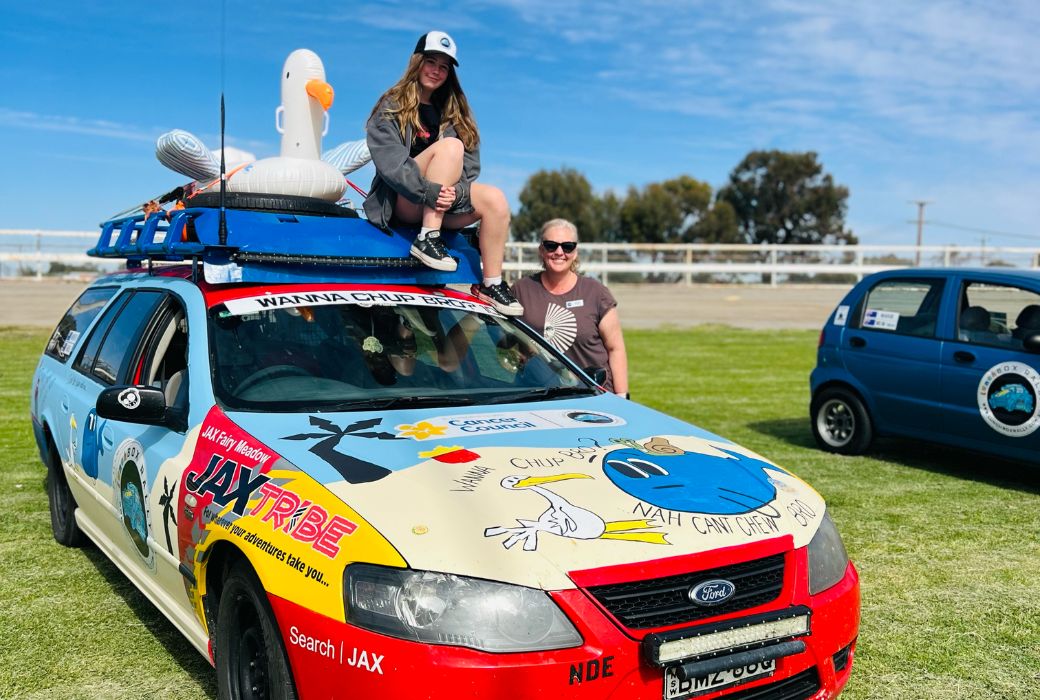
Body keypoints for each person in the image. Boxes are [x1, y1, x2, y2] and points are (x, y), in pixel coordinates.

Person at [364, 30, 523, 316]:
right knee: (450, 147)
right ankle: (427, 237)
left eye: (444, 67)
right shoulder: (391, 106)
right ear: (417, 62)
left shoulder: (456, 112)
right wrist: (431, 192)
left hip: (442, 202)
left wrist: (455, 194)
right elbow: (391, 165)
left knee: (496, 199)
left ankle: (491, 283)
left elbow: (470, 167)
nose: (437, 71)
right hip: (404, 201)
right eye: (431, 62)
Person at [511, 218, 629, 397]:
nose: (559, 252)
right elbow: (505, 341)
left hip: (593, 395)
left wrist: (622, 396)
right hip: (537, 396)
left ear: (575, 252)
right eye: (551, 245)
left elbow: (615, 348)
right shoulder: (521, 290)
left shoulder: (596, 292)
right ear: (541, 250)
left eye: (567, 246)